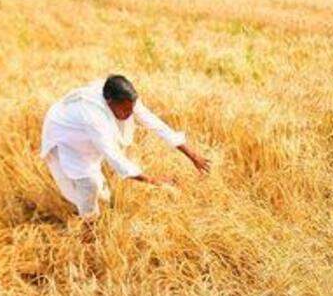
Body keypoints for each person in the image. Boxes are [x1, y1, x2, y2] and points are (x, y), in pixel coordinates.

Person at [39, 75, 210, 220]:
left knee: (99, 186)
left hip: (85, 134)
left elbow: (154, 123)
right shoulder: (93, 116)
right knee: (88, 184)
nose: (130, 115)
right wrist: (151, 180)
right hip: (66, 138)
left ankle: (100, 204)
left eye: (131, 109)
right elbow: (113, 155)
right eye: (125, 110)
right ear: (110, 102)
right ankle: (88, 225)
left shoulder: (127, 99)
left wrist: (192, 155)